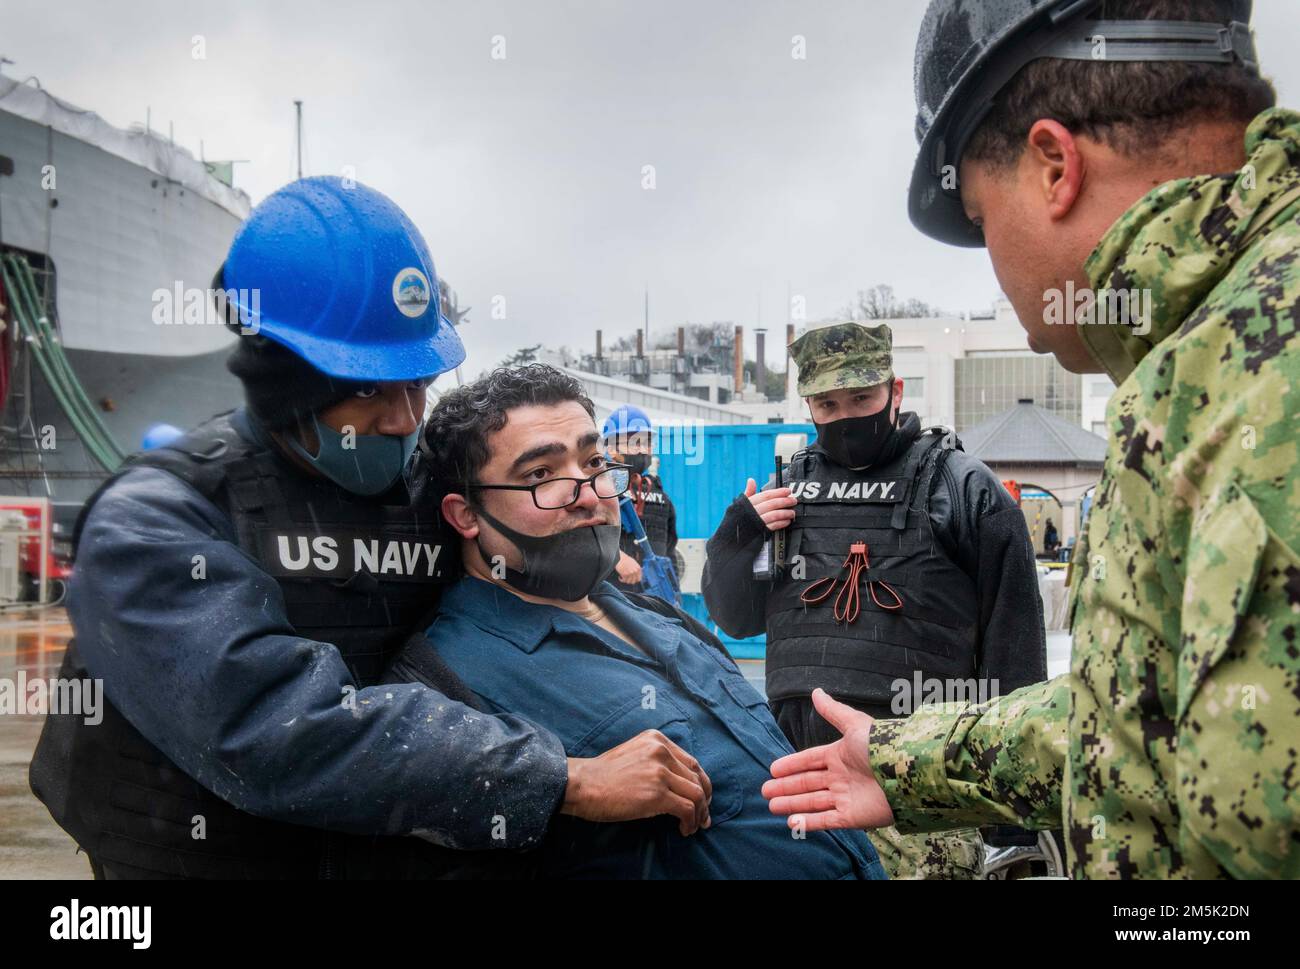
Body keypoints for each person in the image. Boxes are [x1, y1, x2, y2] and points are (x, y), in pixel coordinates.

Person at [29, 177, 710, 879]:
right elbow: (272, 727)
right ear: (283, 382)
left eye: (416, 381)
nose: (405, 418)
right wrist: (560, 778)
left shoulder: (426, 493)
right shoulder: (157, 519)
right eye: (366, 390)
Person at [763, 0, 1300, 879]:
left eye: (979, 219)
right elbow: (1134, 720)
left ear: (1053, 164)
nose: (995, 263)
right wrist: (908, 761)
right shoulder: (1201, 361)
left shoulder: (1259, 363)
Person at [385, 364, 887, 879]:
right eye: (540, 475)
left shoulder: (660, 618)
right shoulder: (448, 682)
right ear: (465, 514)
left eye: (593, 461)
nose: (588, 492)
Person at [703, 320, 1047, 879]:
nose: (846, 417)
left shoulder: (962, 487)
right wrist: (738, 536)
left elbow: (1015, 654)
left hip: (916, 791)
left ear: (896, 391)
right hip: (798, 783)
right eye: (828, 404)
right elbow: (734, 619)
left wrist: (1012, 819)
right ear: (810, 407)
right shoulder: (786, 491)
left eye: (861, 398)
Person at [601, 404, 681, 597]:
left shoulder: (660, 496)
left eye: (648, 442)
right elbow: (574, 543)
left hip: (654, 600)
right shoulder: (595, 488)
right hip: (607, 600)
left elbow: (670, 551)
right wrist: (616, 558)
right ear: (612, 448)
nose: (644, 450)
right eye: (636, 443)